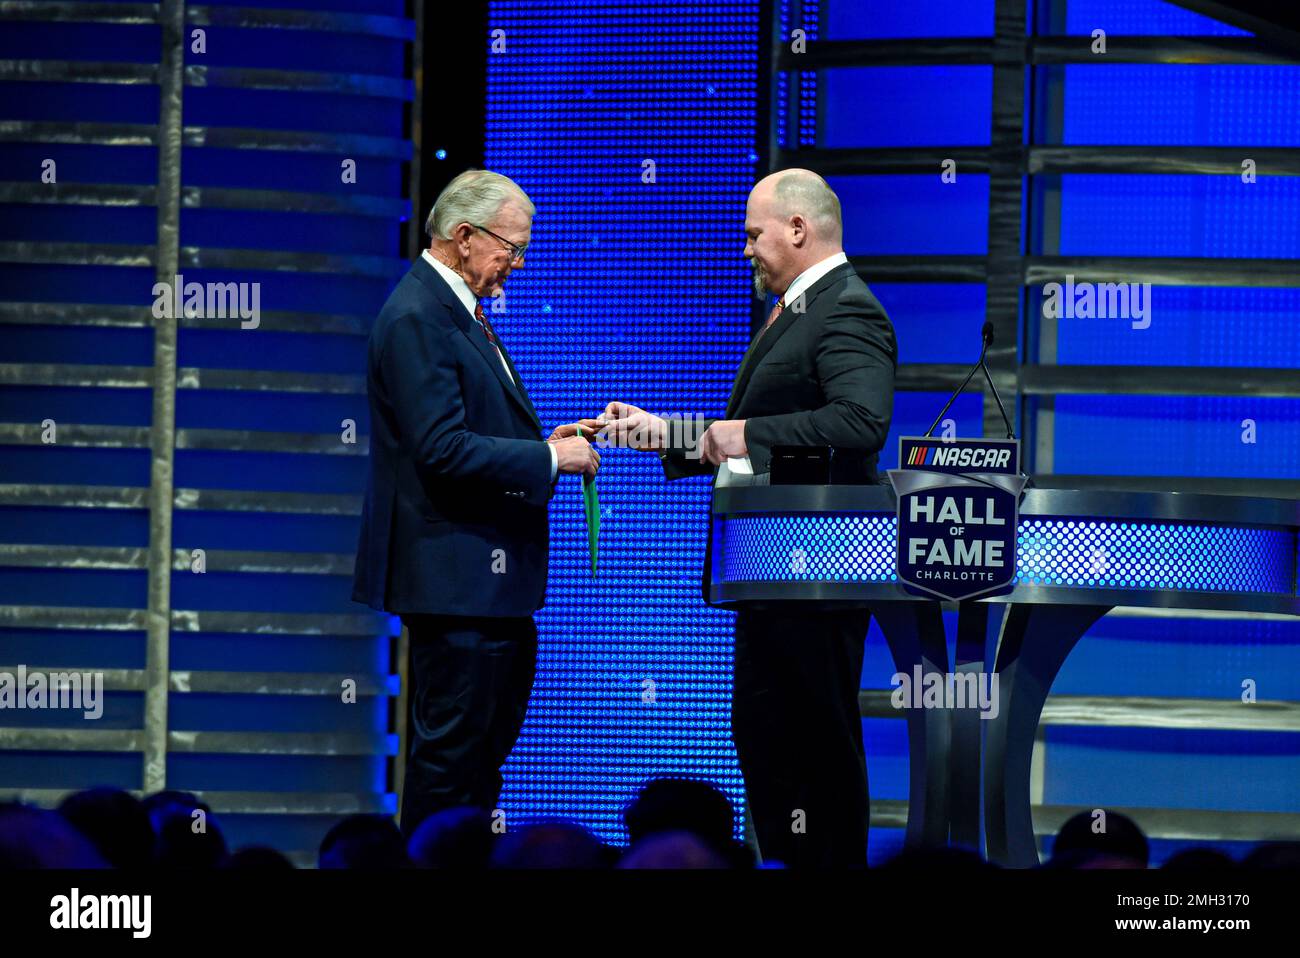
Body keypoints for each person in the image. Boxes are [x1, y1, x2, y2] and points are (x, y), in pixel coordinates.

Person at [592, 169, 897, 867]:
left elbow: (858, 423)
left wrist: (740, 434)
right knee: (770, 744)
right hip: (773, 571)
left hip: (816, 571)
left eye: (754, 234)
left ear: (799, 228)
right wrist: (666, 434)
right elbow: (767, 440)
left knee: (813, 751)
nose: (747, 249)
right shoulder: (800, 309)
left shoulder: (847, 309)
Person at [352, 168, 599, 838]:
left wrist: (544, 443)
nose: (517, 264)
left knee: (476, 767)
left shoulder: (453, 310)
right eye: (511, 248)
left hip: (484, 588)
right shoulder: (418, 316)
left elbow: (466, 431)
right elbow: (441, 449)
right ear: (464, 236)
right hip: (456, 583)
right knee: (452, 770)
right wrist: (551, 460)